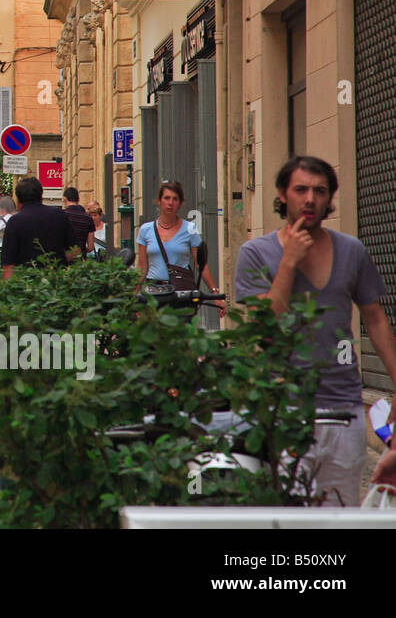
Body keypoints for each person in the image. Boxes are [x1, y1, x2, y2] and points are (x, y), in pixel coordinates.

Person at [235, 156, 396, 507]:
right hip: (282, 408)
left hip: (343, 407)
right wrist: (289, 261)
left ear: (330, 198)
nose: (310, 199)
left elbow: (376, 318)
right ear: (282, 195)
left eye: (320, 191)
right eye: (301, 189)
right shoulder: (256, 253)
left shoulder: (351, 251)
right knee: (286, 513)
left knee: (339, 512)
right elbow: (264, 327)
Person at [134, 181, 217, 294]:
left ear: (180, 203)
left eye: (175, 199)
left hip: (180, 290)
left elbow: (200, 264)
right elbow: (142, 266)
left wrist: (214, 291)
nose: (170, 203)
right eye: (166, 198)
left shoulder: (190, 228)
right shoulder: (145, 230)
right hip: (153, 291)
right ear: (159, 201)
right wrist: (133, 294)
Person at [0, 176, 76, 280]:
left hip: (27, 285)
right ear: (41, 194)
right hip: (57, 282)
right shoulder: (59, 215)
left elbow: (8, 266)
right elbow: (75, 250)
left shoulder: (14, 222)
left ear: (19, 200)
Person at [62, 187, 96, 257]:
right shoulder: (88, 218)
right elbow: (90, 247)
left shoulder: (62, 216)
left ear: (65, 199)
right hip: (81, 260)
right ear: (78, 199)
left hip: (65, 259)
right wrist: (81, 250)